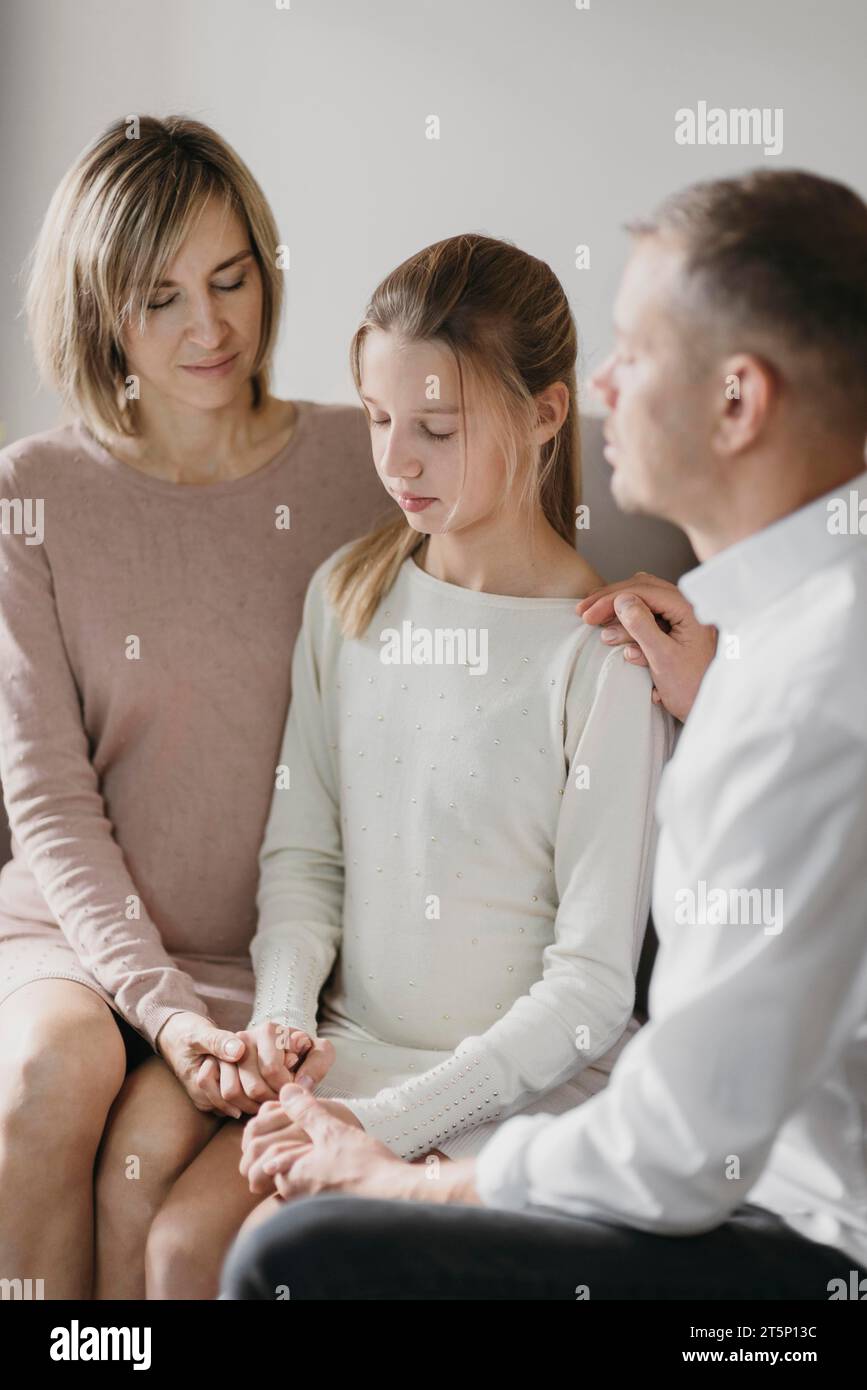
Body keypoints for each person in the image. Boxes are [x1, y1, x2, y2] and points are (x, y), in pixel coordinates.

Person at [223, 168, 867, 1300]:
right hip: (753, 1197)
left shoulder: (800, 692)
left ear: (738, 400)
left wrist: (394, 1176)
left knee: (292, 1258)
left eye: (636, 350)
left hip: (806, 1248)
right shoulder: (768, 656)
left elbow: (672, 1148)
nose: (603, 382)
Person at [145, 232, 675, 1298]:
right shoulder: (348, 596)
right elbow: (306, 860)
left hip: (515, 1095)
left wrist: (379, 1131)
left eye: (435, 428)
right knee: (176, 1251)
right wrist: (286, 1025)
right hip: (348, 1063)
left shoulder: (601, 661)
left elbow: (591, 988)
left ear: (544, 415)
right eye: (381, 421)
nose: (396, 462)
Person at [0, 114, 390, 1299]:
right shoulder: (33, 492)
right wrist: (158, 1010)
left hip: (269, 954)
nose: (212, 327)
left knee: (140, 1193)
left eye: (233, 281)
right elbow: (49, 801)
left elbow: (512, 516)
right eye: (160, 298)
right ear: (97, 308)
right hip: (77, 932)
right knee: (42, 1083)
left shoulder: (356, 464)